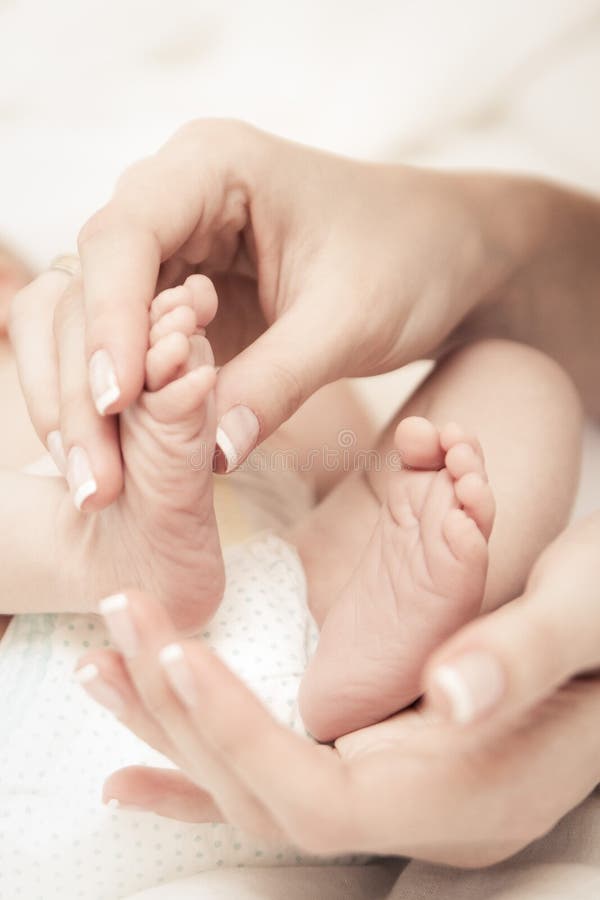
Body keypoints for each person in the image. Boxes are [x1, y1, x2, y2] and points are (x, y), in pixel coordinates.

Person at [8, 120, 600, 864]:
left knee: (519, 383)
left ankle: (370, 647)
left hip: (306, 645)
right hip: (58, 676)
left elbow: (335, 436)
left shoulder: (88, 336)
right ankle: (92, 550)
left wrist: (226, 383)